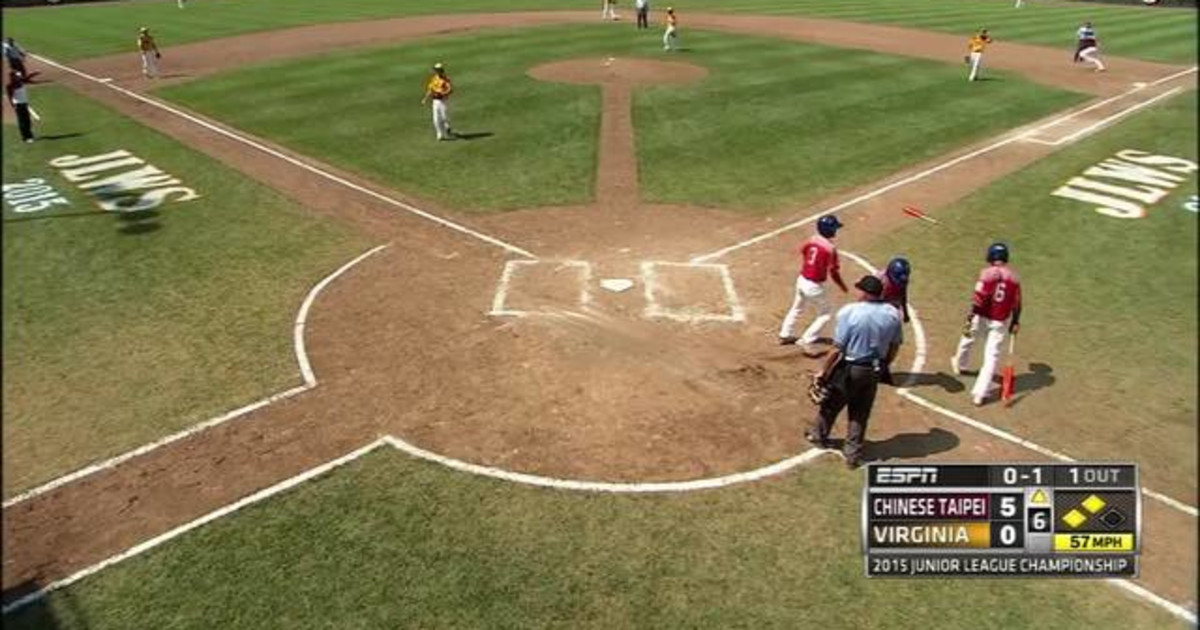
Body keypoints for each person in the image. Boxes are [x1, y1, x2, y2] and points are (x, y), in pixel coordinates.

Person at [807, 275, 904, 469]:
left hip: (850, 368)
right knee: (861, 412)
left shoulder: (850, 312)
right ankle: (852, 454)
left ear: (866, 293)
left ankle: (818, 435)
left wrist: (823, 371)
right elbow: (894, 346)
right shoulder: (893, 314)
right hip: (874, 369)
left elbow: (837, 349)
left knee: (832, 403)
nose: (857, 292)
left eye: (860, 289)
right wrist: (885, 364)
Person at [951, 242, 1022, 406]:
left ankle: (960, 364)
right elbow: (1017, 303)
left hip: (980, 315)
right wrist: (1016, 321)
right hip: (1000, 322)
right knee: (991, 357)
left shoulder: (986, 273)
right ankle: (979, 394)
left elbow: (978, 297)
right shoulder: (1014, 278)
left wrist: (972, 314)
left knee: (967, 337)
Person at [778, 214, 848, 349]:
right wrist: (842, 286)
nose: (836, 230)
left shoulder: (812, 239)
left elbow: (803, 251)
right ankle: (807, 338)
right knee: (826, 313)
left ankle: (785, 333)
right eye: (834, 228)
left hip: (802, 279)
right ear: (829, 230)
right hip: (814, 286)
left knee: (797, 307)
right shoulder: (830, 249)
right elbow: (834, 272)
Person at [421, 62, 455, 141]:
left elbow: (450, 90)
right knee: (435, 118)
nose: (436, 71)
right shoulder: (434, 79)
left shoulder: (445, 79)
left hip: (443, 101)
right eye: (436, 70)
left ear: (441, 70)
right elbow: (430, 89)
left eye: (438, 70)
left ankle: (446, 126)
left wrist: (443, 93)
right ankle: (439, 133)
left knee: (444, 117)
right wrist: (425, 98)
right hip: (435, 101)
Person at [877, 256, 911, 324]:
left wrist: (905, 313)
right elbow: (875, 302)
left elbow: (903, 295)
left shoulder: (903, 281)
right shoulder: (882, 282)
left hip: (892, 300)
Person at [7, 70, 35, 143]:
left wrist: (34, 73)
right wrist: (13, 105)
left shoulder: (20, 81)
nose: (18, 77)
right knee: (22, 122)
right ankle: (25, 137)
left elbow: (27, 78)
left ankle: (30, 135)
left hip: (24, 104)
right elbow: (10, 96)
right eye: (16, 76)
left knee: (27, 121)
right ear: (12, 77)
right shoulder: (10, 86)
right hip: (19, 105)